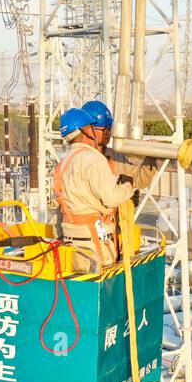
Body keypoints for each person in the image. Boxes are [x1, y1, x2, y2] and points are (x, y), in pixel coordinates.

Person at [52, 102, 154, 271]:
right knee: (103, 291)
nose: (108, 133)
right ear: (87, 130)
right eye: (100, 128)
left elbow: (63, 205)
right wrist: (127, 187)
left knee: (80, 289)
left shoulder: (63, 164)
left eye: (109, 128)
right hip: (96, 241)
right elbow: (112, 197)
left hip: (77, 242)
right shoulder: (94, 160)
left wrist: (152, 159)